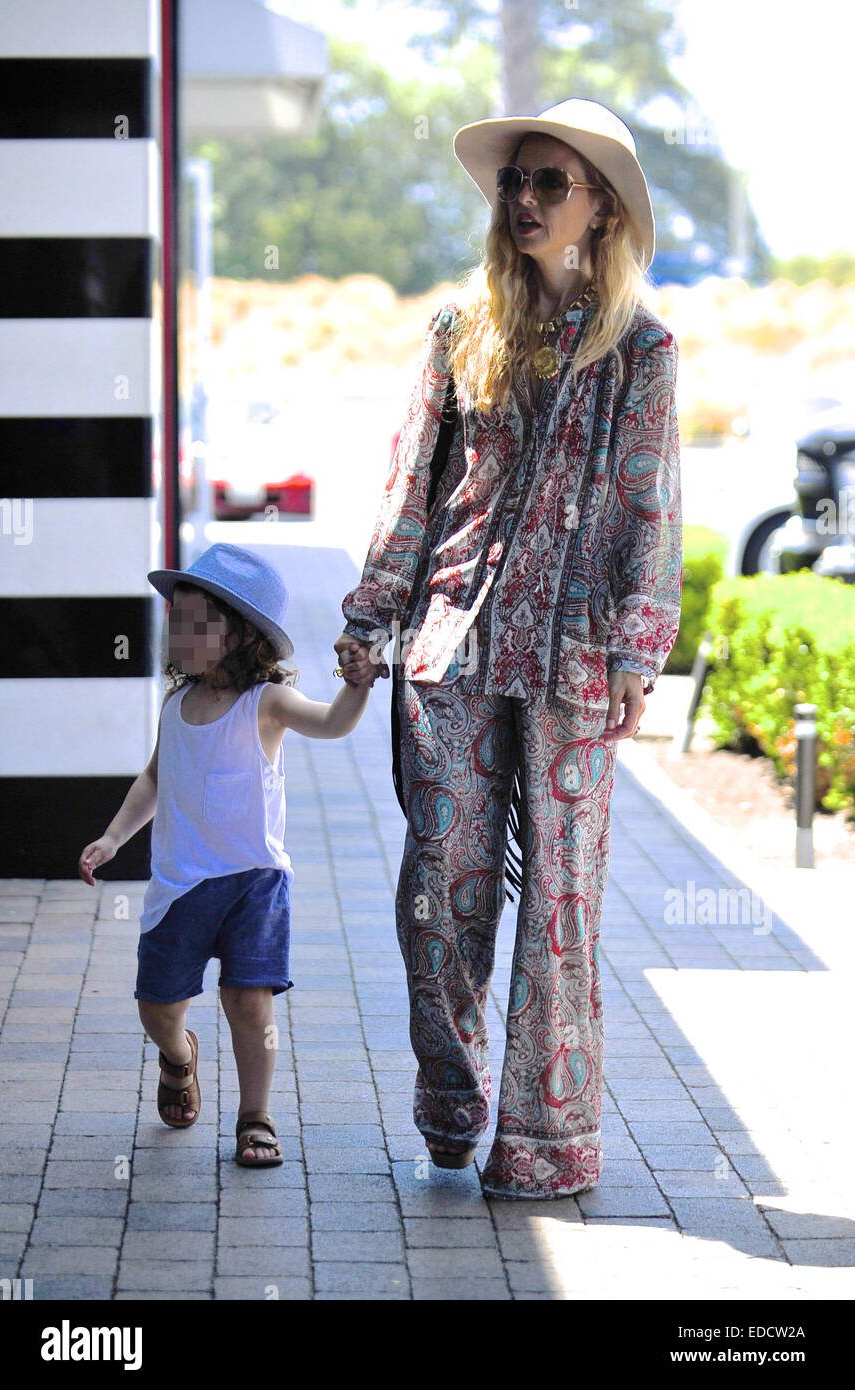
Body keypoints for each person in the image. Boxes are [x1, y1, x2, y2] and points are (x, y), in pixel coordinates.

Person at [334, 100, 682, 1199]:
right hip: (451, 650)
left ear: (601, 209)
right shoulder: (457, 332)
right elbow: (411, 487)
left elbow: (652, 512)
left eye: (550, 183)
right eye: (514, 182)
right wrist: (368, 613)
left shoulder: (644, 351)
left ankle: (543, 1141)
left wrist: (638, 645)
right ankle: (451, 1098)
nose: (524, 200)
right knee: (439, 891)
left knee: (563, 908)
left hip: (576, 665)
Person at [78, 543, 370, 1166]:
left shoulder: (265, 704)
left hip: (254, 885)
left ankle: (255, 1117)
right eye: (173, 617)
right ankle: (179, 1056)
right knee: (156, 1006)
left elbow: (334, 723)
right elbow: (156, 778)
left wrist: (358, 686)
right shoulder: (175, 706)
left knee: (248, 1002)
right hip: (180, 884)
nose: (175, 630)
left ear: (238, 634)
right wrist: (112, 838)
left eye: (192, 620)